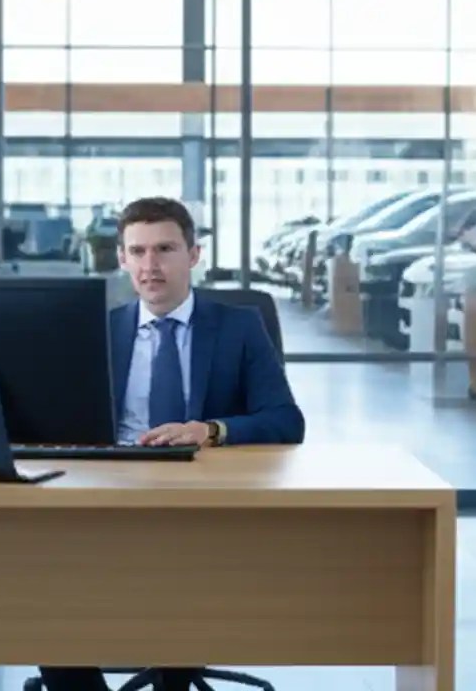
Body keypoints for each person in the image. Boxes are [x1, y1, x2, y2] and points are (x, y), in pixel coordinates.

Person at [38, 197, 306, 691]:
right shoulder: (97, 332)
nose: (150, 265)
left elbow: (286, 419)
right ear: (120, 259)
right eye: (137, 251)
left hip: (198, 497)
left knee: (181, 573)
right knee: (41, 589)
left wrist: (212, 429)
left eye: (164, 249)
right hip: (104, 492)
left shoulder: (238, 327)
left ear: (193, 254)